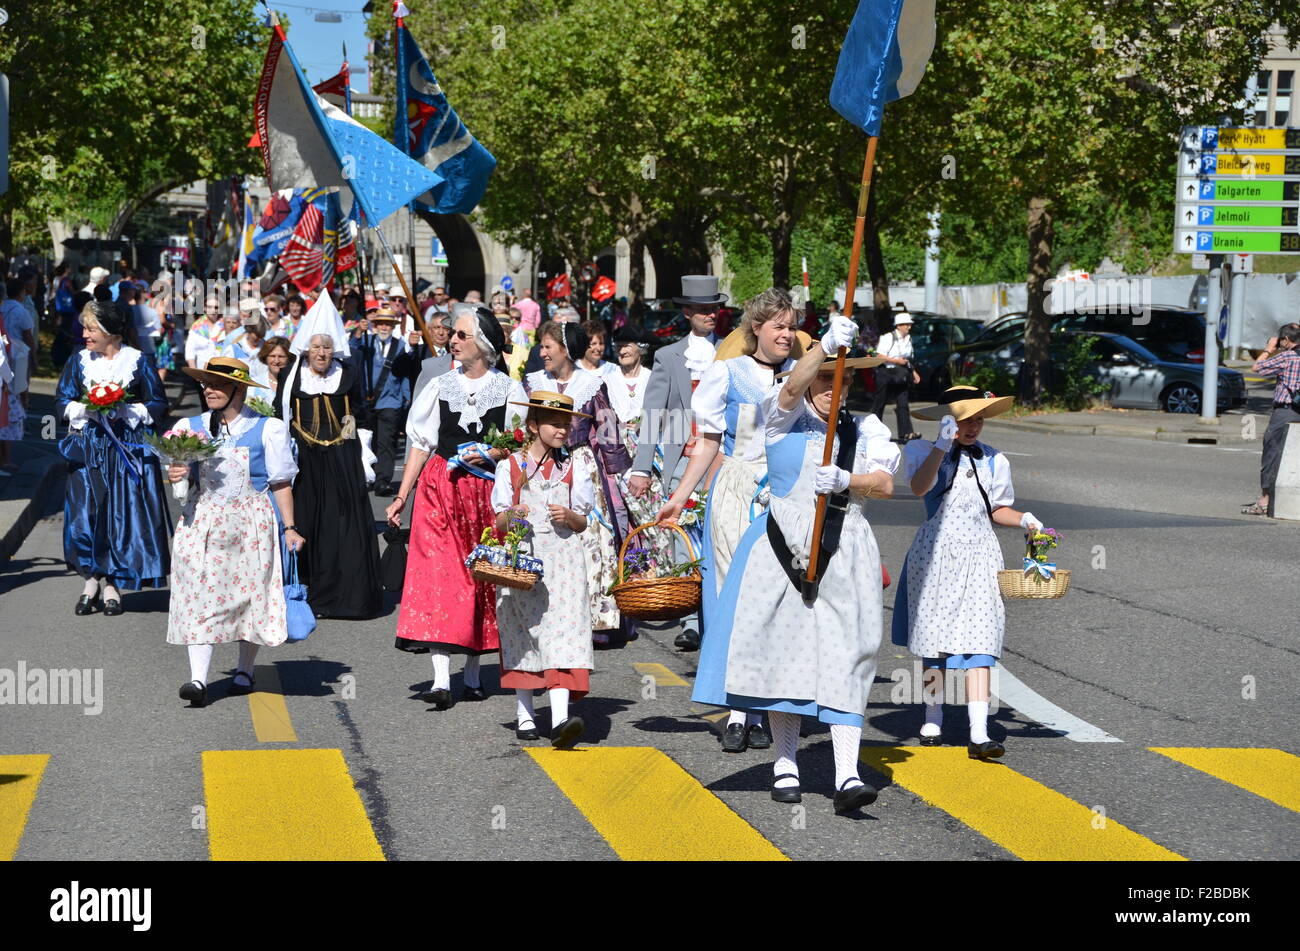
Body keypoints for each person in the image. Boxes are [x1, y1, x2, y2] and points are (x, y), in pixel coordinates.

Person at [686, 317, 897, 814]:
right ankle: (785, 764)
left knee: (850, 655)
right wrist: (822, 346)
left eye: (837, 380)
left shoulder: (867, 429)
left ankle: (847, 775)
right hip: (780, 549)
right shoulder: (781, 415)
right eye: (822, 378)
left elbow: (885, 485)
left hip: (844, 547)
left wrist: (847, 479)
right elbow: (792, 389)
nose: (828, 389)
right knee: (787, 657)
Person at [658, 288, 803, 752]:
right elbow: (708, 443)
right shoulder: (728, 373)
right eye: (778, 325)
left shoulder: (803, 378)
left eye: (791, 325)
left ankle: (766, 709)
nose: (786, 333)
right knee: (734, 598)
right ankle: (739, 711)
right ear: (755, 328)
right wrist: (681, 496)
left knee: (778, 604)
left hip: (787, 494)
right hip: (739, 491)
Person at [385, 308, 527, 707]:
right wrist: (401, 496)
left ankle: (471, 672)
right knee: (439, 576)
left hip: (485, 495)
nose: (453, 340)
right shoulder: (439, 385)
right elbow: (421, 443)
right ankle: (441, 679)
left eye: (461, 334)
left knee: (480, 578)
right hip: (440, 490)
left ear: (482, 343)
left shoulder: (510, 389)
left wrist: (494, 452)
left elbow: (521, 444)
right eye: (453, 334)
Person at [893, 386, 1044, 759]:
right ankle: (933, 715)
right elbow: (918, 488)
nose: (973, 426)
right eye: (964, 419)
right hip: (936, 553)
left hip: (980, 553)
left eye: (978, 418)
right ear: (949, 421)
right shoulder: (924, 452)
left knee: (982, 639)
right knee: (935, 638)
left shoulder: (994, 460)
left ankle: (979, 732)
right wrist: (942, 446)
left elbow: (997, 509)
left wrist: (1024, 518)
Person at [165, 357, 303, 706]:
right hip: (203, 519)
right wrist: (178, 475)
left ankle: (245, 669)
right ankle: (198, 680)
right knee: (197, 594)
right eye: (205, 383)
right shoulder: (190, 426)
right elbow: (181, 480)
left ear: (239, 389)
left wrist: (290, 528)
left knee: (250, 597)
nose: (209, 390)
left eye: (218, 384)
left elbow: (281, 482)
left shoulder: (268, 428)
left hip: (250, 522)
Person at [492, 391, 597, 747]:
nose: (563, 430)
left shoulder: (575, 467)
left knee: (564, 633)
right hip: (523, 560)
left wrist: (569, 516)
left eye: (567, 424)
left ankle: (560, 719)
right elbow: (499, 519)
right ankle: (525, 713)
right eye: (555, 424)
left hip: (564, 561)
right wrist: (512, 515)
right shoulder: (509, 466)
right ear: (533, 426)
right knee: (523, 631)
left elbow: (584, 521)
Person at [55, 300, 172, 616]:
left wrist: (125, 409)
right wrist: (84, 409)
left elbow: (158, 404)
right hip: (89, 446)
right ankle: (91, 580)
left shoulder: (139, 361)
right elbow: (62, 400)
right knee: (87, 515)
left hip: (125, 449)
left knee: (120, 517)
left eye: (91, 328)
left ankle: (111, 586)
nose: (85, 334)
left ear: (110, 332)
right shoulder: (78, 361)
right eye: (85, 327)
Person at [272, 297, 383, 619]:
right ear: (306, 347)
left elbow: (359, 414)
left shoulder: (347, 373)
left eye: (327, 347)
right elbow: (282, 418)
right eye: (316, 347)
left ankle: (346, 595)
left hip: (341, 458)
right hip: (304, 460)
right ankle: (305, 590)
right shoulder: (291, 376)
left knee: (343, 524)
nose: (321, 353)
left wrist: (360, 455)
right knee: (306, 522)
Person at [629, 275, 724, 651]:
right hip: (683, 458)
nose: (710, 316)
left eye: (714, 309)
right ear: (687, 313)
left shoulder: (733, 353)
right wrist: (640, 467)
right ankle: (689, 619)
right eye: (703, 310)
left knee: (719, 538)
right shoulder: (668, 357)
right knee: (684, 538)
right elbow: (653, 414)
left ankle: (716, 613)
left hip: (722, 459)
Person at [526, 319, 631, 646]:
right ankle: (542, 610)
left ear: (566, 350)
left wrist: (620, 472)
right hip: (540, 465)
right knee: (542, 535)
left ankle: (592, 619)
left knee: (588, 540)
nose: (542, 353)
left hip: (580, 464)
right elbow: (520, 426)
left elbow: (607, 427)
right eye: (541, 346)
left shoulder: (590, 384)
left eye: (548, 347)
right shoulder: (532, 383)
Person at [352, 308, 410, 496]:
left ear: (393, 326)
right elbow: (351, 350)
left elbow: (404, 374)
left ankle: (383, 480)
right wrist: (358, 332)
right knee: (365, 441)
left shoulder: (400, 345)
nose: (384, 327)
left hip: (390, 401)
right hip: (365, 401)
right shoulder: (367, 343)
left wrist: (405, 398)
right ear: (375, 326)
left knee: (386, 442)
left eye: (388, 324)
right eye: (380, 323)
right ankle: (365, 475)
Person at [1244, 324, 1300, 517]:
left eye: (1280, 340)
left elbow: (1256, 367)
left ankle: (1265, 501)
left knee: (1272, 454)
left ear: (1285, 340)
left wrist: (1269, 348)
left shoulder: (1287, 356)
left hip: (1285, 412)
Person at [871, 308, 922, 442]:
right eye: (907, 324)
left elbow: (907, 360)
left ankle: (906, 433)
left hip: (901, 373)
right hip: (885, 372)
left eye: (909, 324)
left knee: (903, 403)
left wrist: (914, 372)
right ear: (899, 326)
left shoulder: (909, 339)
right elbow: (879, 355)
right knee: (879, 402)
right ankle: (873, 432)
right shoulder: (888, 337)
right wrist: (896, 361)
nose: (909, 327)